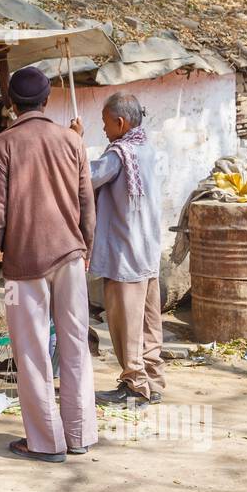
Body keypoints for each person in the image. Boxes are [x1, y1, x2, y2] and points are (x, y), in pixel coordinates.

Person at [0, 66, 98, 463]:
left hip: (20, 266)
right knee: (75, 344)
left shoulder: (1, 146)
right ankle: (78, 435)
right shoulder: (72, 142)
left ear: (11, 103)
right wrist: (86, 250)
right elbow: (86, 204)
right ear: (48, 101)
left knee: (30, 350)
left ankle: (46, 442)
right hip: (70, 257)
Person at [74, 92, 166, 406]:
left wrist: (76, 144)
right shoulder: (147, 148)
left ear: (120, 122)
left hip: (125, 255)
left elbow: (87, 178)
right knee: (149, 323)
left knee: (126, 324)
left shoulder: (120, 153)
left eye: (105, 123)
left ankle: (135, 386)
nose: (104, 129)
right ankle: (153, 380)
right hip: (148, 252)